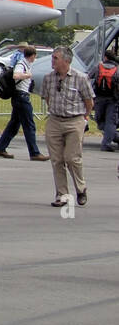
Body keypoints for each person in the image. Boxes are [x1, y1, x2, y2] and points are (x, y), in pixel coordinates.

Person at [43, 47, 94, 208]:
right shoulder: (48, 78)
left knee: (72, 158)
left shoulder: (80, 78)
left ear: (66, 61)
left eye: (55, 58)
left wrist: (84, 118)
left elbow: (89, 101)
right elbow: (48, 98)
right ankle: (62, 194)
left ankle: (81, 188)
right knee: (57, 159)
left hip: (74, 120)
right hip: (55, 120)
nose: (52, 61)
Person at [0, 44, 45, 160]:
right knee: (29, 125)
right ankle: (34, 152)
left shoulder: (25, 64)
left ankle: (0, 148)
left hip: (19, 97)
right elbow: (16, 75)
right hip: (21, 96)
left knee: (14, 124)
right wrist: (27, 75)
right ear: (33, 56)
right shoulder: (22, 64)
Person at [88, 48, 118, 152]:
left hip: (99, 98)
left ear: (105, 57)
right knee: (111, 121)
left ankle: (111, 137)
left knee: (99, 120)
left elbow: (88, 77)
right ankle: (108, 141)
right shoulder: (117, 69)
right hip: (113, 99)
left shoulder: (98, 67)